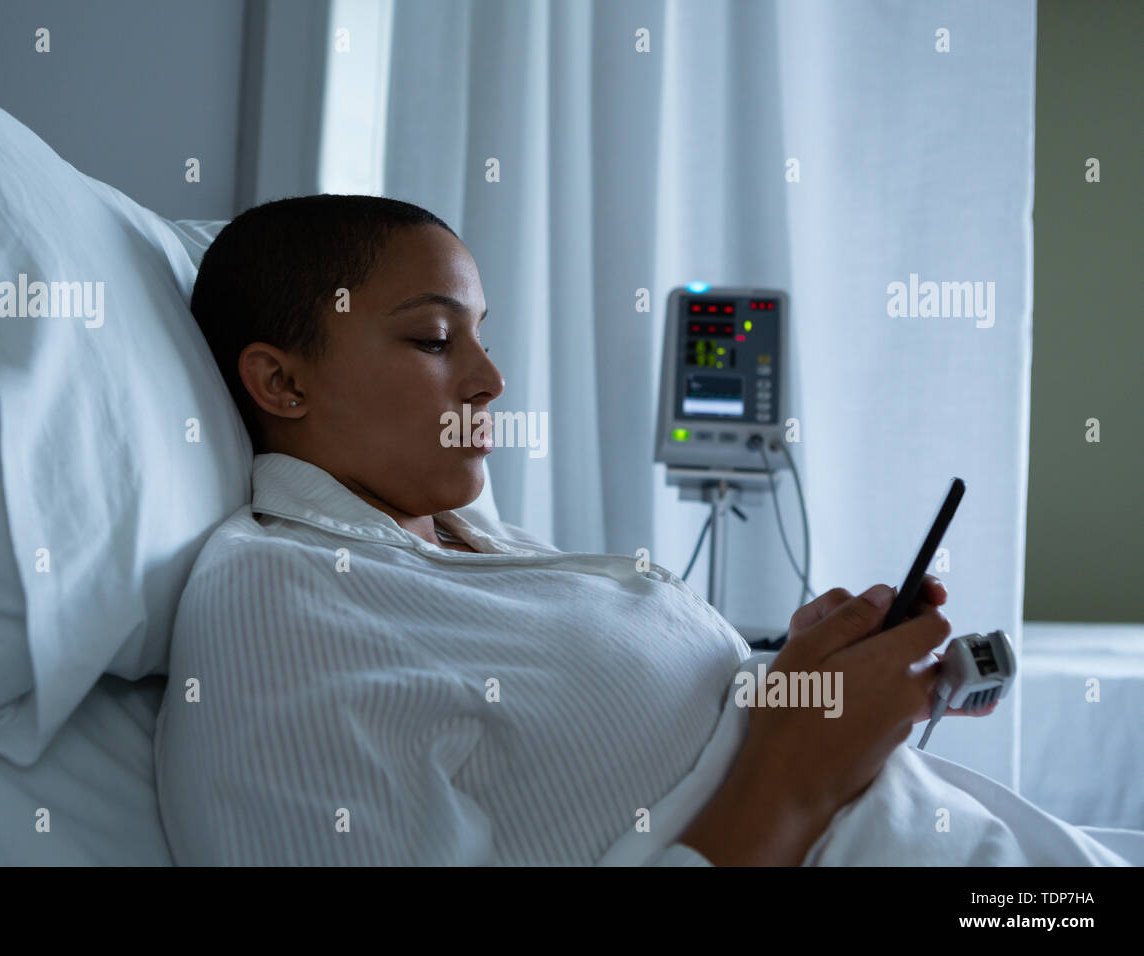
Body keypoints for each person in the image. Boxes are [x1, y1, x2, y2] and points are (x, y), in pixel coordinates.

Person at [153, 195, 1076, 867]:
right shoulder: (277, 604)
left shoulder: (475, 549)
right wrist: (799, 764)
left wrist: (803, 680)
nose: (489, 379)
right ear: (282, 383)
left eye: (480, 335)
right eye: (435, 341)